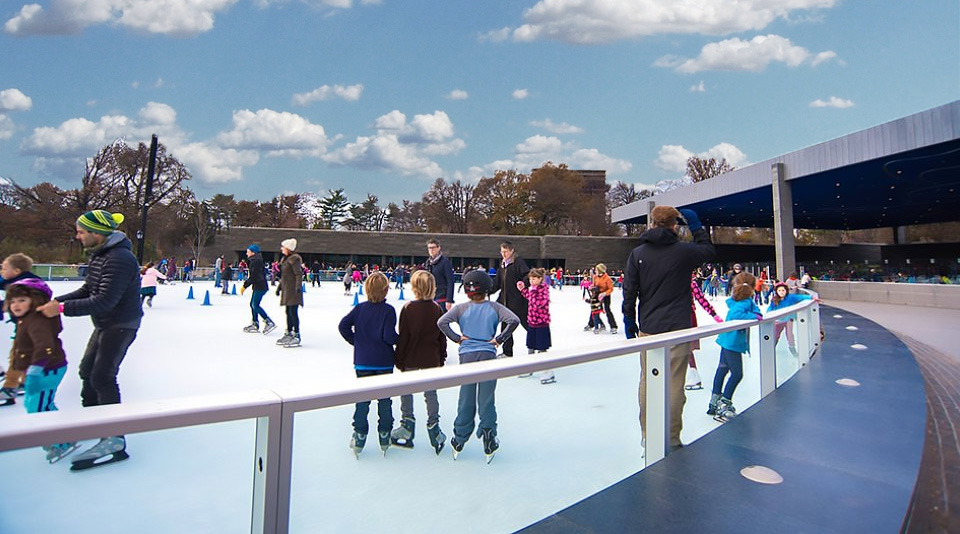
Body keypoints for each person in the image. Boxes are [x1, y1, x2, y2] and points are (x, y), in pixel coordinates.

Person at [38, 209, 141, 471]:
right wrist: (57, 302)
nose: (78, 236)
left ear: (97, 233)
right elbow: (88, 290)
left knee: (102, 377)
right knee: (87, 371)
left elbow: (104, 300)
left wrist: (59, 310)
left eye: (82, 232)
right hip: (106, 323)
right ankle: (95, 421)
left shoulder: (119, 258)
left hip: (120, 324)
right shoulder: (102, 255)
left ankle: (113, 438)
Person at [622, 205, 714, 452]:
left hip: (649, 327)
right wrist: (695, 226)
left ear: (652, 223)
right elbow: (708, 251)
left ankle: (647, 434)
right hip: (677, 328)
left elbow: (630, 290)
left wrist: (629, 320)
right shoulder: (683, 252)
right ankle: (671, 437)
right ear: (675, 225)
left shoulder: (638, 254)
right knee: (674, 384)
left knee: (647, 381)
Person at [438, 270, 520, 463]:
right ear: (487, 289)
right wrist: (499, 339)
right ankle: (489, 436)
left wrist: (457, 338)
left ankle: (459, 438)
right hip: (488, 355)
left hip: (467, 356)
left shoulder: (460, 309)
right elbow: (514, 321)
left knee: (466, 397)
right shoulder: (495, 307)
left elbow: (442, 322)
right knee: (486, 398)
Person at [3, 278, 80, 463]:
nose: (16, 305)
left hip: (48, 369)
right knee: (35, 405)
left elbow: (45, 346)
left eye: (22, 300)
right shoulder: (26, 318)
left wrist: (35, 371)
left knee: (40, 408)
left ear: (35, 300)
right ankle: (64, 431)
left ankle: (63, 441)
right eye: (13, 301)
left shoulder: (36, 320)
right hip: (38, 370)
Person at [338, 272, 398, 457]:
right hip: (384, 362)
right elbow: (389, 336)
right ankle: (385, 432)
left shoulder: (360, 309)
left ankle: (360, 433)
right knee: (384, 399)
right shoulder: (388, 310)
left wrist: (357, 341)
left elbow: (343, 326)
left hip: (363, 362)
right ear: (386, 290)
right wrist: (402, 340)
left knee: (363, 399)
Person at [389, 270, 448, 454]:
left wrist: (399, 359)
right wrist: (442, 357)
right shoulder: (437, 309)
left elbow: (403, 337)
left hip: (411, 358)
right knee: (431, 394)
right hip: (430, 359)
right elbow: (441, 337)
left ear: (414, 288)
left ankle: (407, 423)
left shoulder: (408, 309)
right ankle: (434, 426)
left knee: (406, 391)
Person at [709, 272, 763, 422]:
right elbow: (738, 314)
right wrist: (754, 317)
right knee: (737, 374)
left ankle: (714, 401)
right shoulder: (745, 302)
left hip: (727, 340)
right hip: (732, 343)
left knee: (722, 369)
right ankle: (724, 403)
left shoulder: (740, 300)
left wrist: (755, 313)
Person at [0, 253, 43, 404]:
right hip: (26, 326)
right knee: (24, 354)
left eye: (4, 268)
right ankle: (25, 382)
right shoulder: (17, 280)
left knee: (18, 355)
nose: (2, 271)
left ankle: (10, 387)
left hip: (31, 327)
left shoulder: (23, 286)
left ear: (16, 271)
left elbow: (13, 305)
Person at [685, 272, 724, 391]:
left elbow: (700, 298)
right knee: (678, 348)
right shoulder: (669, 281)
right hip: (672, 317)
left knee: (686, 348)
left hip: (686, 317)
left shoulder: (690, 283)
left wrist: (714, 315)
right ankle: (689, 375)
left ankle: (693, 375)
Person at [490, 241, 529, 358]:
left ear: (512, 251)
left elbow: (527, 274)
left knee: (527, 324)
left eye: (505, 251)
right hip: (504, 301)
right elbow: (497, 282)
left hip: (518, 301)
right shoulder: (503, 264)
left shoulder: (518, 262)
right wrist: (487, 290)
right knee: (505, 327)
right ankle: (507, 352)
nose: (503, 254)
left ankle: (539, 345)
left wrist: (523, 282)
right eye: (502, 251)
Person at [517, 267, 555, 384]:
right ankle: (530, 367)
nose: (532, 281)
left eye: (534, 279)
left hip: (541, 323)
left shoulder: (543, 289)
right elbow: (529, 297)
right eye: (531, 279)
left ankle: (548, 371)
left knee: (542, 347)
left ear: (540, 279)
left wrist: (531, 292)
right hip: (532, 321)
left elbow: (539, 303)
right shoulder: (532, 289)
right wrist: (523, 290)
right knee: (530, 346)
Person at [767, 282, 818, 357]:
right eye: (779, 290)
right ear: (776, 292)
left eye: (783, 290)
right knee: (776, 335)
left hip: (788, 319)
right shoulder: (774, 299)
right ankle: (771, 349)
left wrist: (812, 297)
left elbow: (801, 297)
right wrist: (768, 315)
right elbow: (770, 309)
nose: (781, 292)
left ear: (786, 291)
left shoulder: (790, 297)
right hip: (778, 321)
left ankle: (792, 349)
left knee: (790, 335)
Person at [241, 245, 277, 335]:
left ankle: (268, 322)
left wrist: (245, 286)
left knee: (255, 305)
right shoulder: (255, 260)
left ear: (253, 252)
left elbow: (254, 276)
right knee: (252, 304)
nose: (246, 253)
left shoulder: (256, 262)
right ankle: (255, 322)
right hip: (258, 285)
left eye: (248, 251)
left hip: (260, 286)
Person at [276, 239, 304, 347]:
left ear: (288, 249)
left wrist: (298, 287)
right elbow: (284, 276)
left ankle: (296, 334)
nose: (281, 248)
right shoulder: (285, 259)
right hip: (287, 289)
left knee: (293, 312)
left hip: (293, 290)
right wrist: (279, 288)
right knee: (288, 311)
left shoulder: (294, 259)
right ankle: (288, 332)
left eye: (283, 247)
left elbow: (298, 274)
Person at [425, 238, 455, 311]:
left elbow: (450, 281)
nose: (431, 250)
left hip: (441, 298)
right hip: (430, 297)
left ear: (438, 248)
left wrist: (449, 300)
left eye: (433, 247)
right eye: (429, 248)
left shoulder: (445, 262)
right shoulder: (428, 263)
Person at [592, 263, 618, 334]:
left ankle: (613, 326)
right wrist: (592, 288)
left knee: (607, 310)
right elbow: (594, 285)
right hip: (597, 295)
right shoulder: (595, 277)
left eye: (596, 270)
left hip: (605, 295)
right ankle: (592, 324)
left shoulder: (607, 278)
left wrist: (604, 293)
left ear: (600, 270)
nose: (595, 271)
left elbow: (611, 289)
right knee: (594, 309)